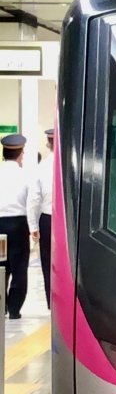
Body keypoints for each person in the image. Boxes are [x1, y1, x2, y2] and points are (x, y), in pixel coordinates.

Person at [0, 134, 31, 319]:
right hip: (19, 224)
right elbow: (31, 202)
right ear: (20, 154)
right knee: (19, 267)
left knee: (1, 266)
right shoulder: (25, 176)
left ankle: (0, 305)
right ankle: (14, 309)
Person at [28, 128, 53, 307]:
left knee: (47, 262)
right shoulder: (73, 165)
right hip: (71, 222)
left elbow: (34, 200)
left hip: (48, 220)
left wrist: (33, 227)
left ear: (48, 144)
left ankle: (51, 302)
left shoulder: (41, 168)